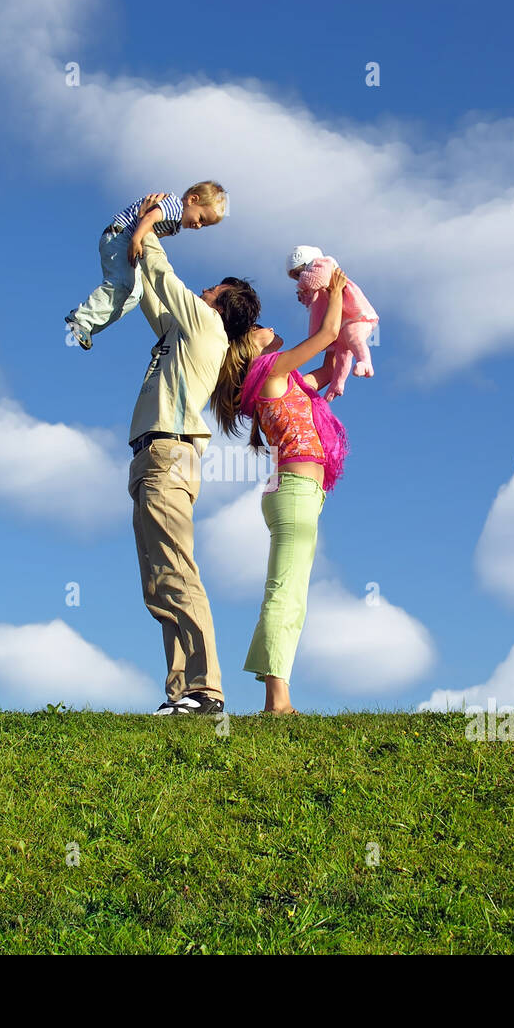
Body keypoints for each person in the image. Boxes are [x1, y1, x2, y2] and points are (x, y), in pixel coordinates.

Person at [129, 225, 260, 716]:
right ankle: (182, 693)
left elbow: (163, 274)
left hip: (168, 455)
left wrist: (148, 226)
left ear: (220, 307)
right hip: (150, 456)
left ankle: (207, 691)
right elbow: (150, 290)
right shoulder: (182, 331)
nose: (203, 292)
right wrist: (130, 256)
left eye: (212, 291)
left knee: (178, 572)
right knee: (159, 581)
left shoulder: (206, 326)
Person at [208, 267, 350, 714]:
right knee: (285, 592)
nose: (267, 328)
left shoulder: (283, 380)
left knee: (291, 592)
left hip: (297, 491)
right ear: (249, 347)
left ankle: (278, 695)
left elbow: (326, 366)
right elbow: (327, 335)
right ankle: (277, 701)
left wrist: (340, 322)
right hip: (293, 490)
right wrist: (335, 293)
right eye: (256, 329)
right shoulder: (270, 372)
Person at [65, 182, 229, 351]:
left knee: (134, 295)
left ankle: (89, 325)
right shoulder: (173, 206)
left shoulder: (175, 225)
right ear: (193, 200)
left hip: (127, 241)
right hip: (120, 237)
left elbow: (151, 235)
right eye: (201, 218)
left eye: (204, 225)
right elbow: (148, 219)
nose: (198, 225)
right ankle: (81, 319)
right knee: (120, 284)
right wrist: (136, 239)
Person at [286, 245, 377, 399]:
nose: (299, 278)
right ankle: (337, 384)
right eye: (296, 276)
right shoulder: (312, 281)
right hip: (339, 321)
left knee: (353, 336)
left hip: (352, 314)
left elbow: (318, 280)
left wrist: (304, 287)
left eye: (299, 272)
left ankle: (365, 362)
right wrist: (305, 296)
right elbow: (315, 297)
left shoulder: (324, 264)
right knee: (342, 353)